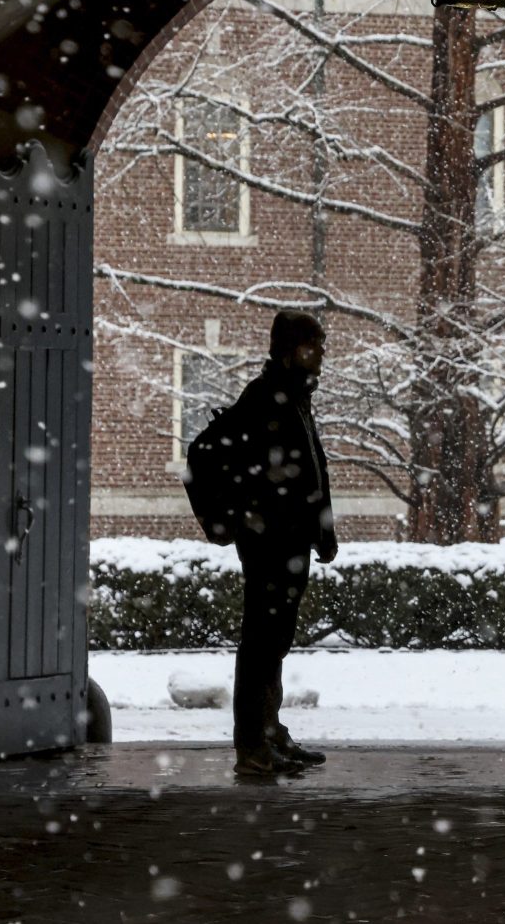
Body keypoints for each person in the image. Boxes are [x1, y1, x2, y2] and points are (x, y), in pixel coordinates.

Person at [186, 310, 338, 776]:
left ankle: (268, 733)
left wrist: (322, 531)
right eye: (311, 348)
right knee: (261, 642)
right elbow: (205, 454)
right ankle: (252, 745)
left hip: (289, 540)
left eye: (322, 348)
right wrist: (232, 521)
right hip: (270, 541)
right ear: (289, 350)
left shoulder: (293, 398)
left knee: (275, 641)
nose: (319, 359)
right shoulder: (265, 398)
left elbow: (311, 469)